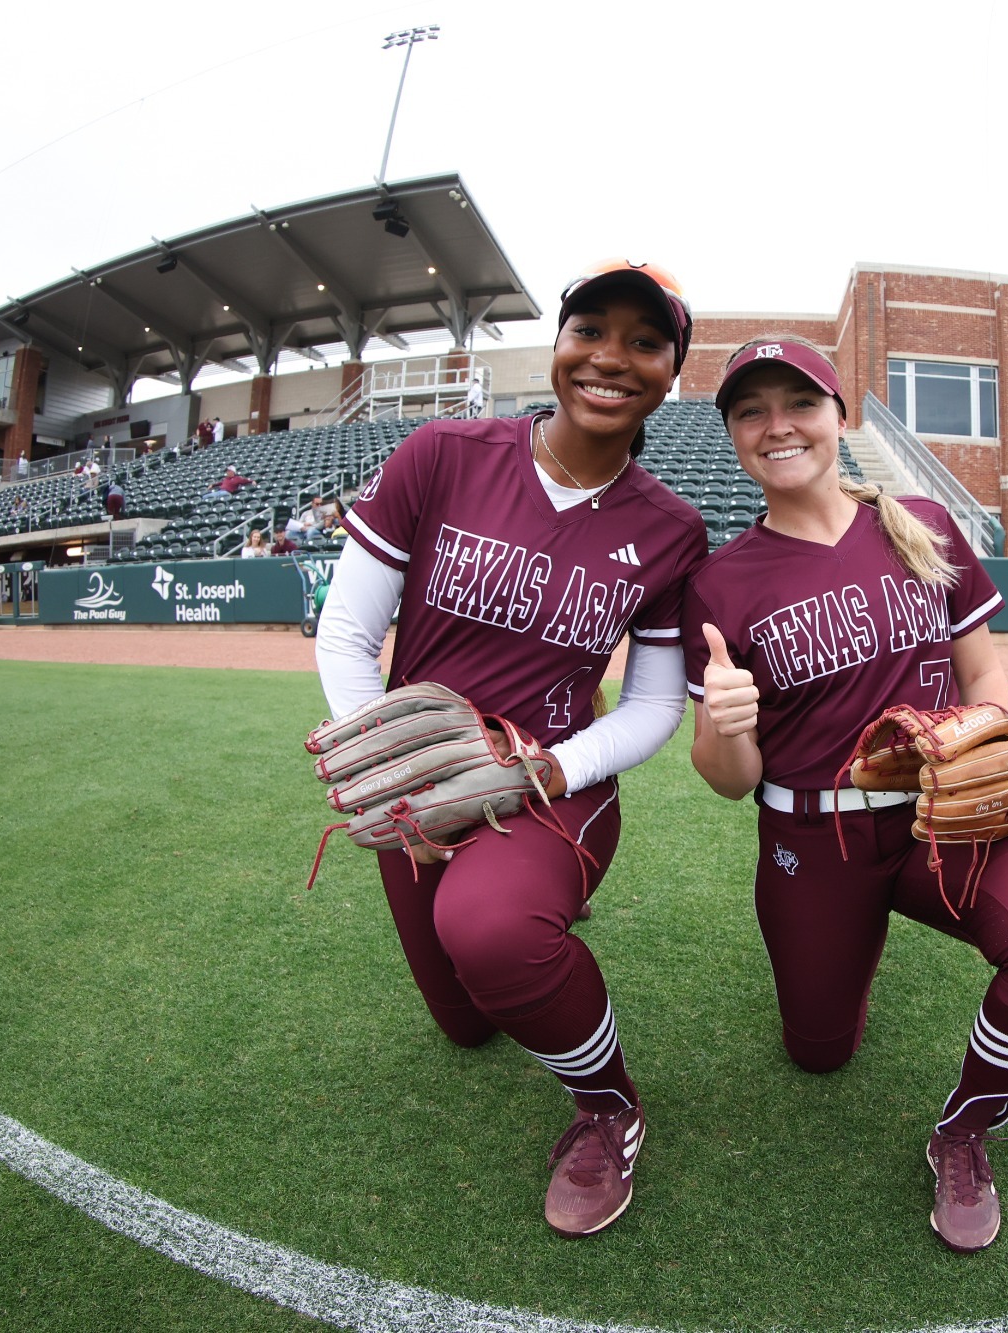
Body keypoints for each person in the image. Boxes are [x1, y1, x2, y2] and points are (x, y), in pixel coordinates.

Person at [313, 259, 706, 1238]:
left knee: (489, 931)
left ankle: (609, 1107)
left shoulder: (670, 528)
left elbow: (656, 703)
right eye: (590, 330)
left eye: (645, 342)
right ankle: (525, 926)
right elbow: (347, 635)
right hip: (422, 776)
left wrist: (549, 769)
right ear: (557, 343)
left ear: (670, 373)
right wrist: (382, 762)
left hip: (551, 782)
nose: (610, 357)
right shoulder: (443, 453)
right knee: (467, 1021)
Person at [685, 335, 1008, 1253]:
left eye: (800, 402)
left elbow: (984, 674)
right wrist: (728, 723)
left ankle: (964, 1129)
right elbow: (729, 780)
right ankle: (848, 959)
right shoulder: (719, 582)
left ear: (838, 415)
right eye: (751, 410)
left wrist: (990, 739)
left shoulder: (922, 523)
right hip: (812, 841)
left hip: (942, 816)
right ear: (734, 435)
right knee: (819, 1052)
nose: (778, 425)